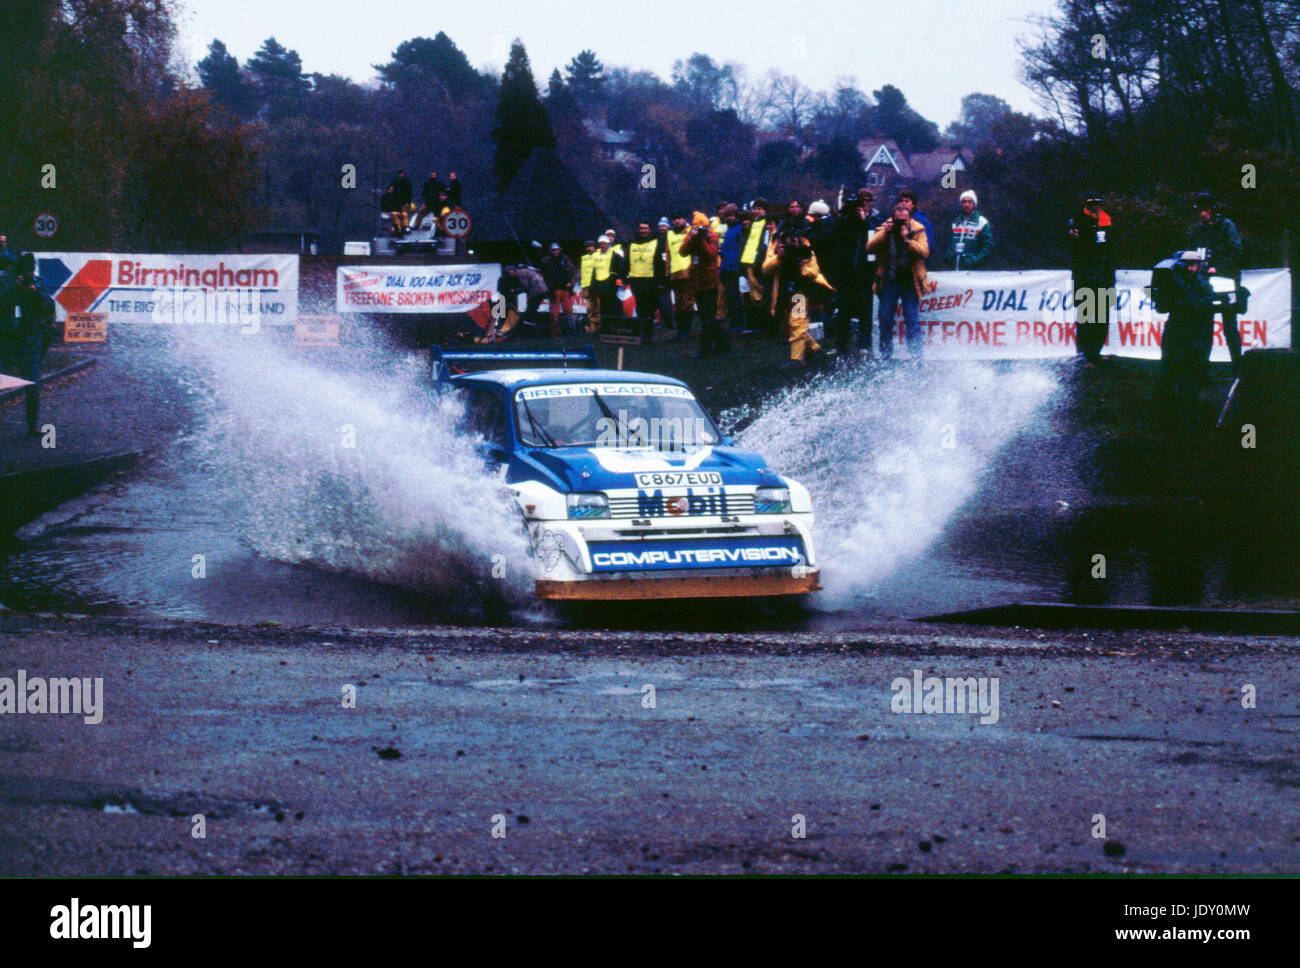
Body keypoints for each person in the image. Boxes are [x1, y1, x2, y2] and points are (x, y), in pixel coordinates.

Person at [1155, 250, 1216, 436]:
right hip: (1175, 336)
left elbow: (1198, 306)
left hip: (1196, 338)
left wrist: (1180, 285)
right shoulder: (1174, 283)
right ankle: (1168, 423)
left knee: (1190, 382)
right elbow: (1161, 306)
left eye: (1194, 264)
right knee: (1168, 379)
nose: (1190, 268)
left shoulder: (1203, 285)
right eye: (1186, 264)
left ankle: (1191, 426)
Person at [0, 253, 59, 436]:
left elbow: (49, 305)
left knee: (33, 382)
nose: (28, 275)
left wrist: (35, 292)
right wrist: (14, 286)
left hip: (30, 339)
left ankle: (32, 424)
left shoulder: (37, 283)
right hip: (9, 339)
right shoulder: (8, 283)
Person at [1187, 190, 1245, 374]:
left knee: (1230, 325)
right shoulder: (1199, 229)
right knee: (1204, 325)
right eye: (1199, 211)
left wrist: (1218, 268)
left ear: (1211, 210)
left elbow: (1237, 251)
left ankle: (1238, 366)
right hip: (1206, 282)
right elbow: (1192, 250)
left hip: (1226, 280)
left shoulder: (1227, 226)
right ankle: (1202, 368)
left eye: (1204, 210)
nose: (1201, 214)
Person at [762, 226, 833, 368]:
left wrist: (803, 267)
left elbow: (814, 272)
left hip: (800, 292)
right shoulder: (776, 249)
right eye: (787, 242)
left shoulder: (806, 250)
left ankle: (797, 359)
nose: (790, 245)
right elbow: (765, 269)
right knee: (788, 326)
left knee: (797, 324)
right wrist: (778, 257)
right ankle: (814, 348)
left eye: (793, 242)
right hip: (782, 293)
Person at [868, 199, 930, 359]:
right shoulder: (886, 228)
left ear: (910, 218)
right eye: (898, 219)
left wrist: (908, 240)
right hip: (890, 279)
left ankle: (916, 356)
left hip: (910, 280)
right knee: (885, 320)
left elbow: (924, 252)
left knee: (912, 321)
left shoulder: (918, 229)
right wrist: (884, 233)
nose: (902, 222)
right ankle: (885, 356)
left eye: (905, 219)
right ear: (893, 218)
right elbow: (869, 247)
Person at [830, 192, 882, 357]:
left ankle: (864, 344)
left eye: (868, 201)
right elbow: (836, 234)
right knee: (843, 309)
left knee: (865, 310)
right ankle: (840, 345)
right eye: (862, 201)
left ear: (871, 203)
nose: (864, 204)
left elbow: (875, 236)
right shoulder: (847, 220)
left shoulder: (875, 219)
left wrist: (864, 221)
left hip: (866, 271)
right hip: (846, 271)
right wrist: (845, 213)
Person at [1069, 190, 1116, 365]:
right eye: (1091, 205)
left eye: (1097, 204)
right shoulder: (1077, 220)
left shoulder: (1108, 219)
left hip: (1105, 276)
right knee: (1087, 316)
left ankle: (1096, 351)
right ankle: (1085, 353)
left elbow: (1112, 248)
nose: (1095, 208)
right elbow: (1077, 248)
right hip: (1086, 276)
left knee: (1102, 316)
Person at [683, 212, 727, 357]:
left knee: (708, 317)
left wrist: (700, 239)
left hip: (710, 281)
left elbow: (710, 255)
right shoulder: (692, 236)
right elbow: (683, 252)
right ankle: (723, 343)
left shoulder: (711, 236)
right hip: (697, 281)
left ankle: (706, 348)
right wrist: (691, 238)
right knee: (705, 316)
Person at [739, 199, 773, 338]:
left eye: (759, 209)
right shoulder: (754, 224)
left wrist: (758, 261)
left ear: (765, 210)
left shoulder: (766, 223)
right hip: (748, 263)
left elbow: (764, 245)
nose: (757, 211)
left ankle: (764, 327)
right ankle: (754, 326)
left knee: (761, 296)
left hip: (758, 264)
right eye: (755, 209)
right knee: (751, 297)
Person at [625, 222, 660, 341]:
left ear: (649, 230)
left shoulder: (656, 242)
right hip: (636, 279)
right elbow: (627, 261)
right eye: (641, 228)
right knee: (640, 307)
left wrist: (660, 280)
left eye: (645, 228)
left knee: (650, 308)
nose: (643, 230)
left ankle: (648, 334)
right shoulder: (632, 243)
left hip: (650, 279)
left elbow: (659, 262)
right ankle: (641, 333)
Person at [946, 189, 993, 270]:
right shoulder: (955, 223)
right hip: (955, 267)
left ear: (974, 204)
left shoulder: (982, 222)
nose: (967, 204)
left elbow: (988, 246)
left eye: (970, 202)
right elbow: (949, 243)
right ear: (961, 204)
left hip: (973, 269)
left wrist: (975, 260)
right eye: (964, 202)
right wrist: (948, 257)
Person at [717, 204, 745, 334]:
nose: (729, 218)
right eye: (727, 216)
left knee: (736, 296)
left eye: (731, 216)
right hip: (726, 267)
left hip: (735, 267)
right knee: (730, 296)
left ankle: (739, 323)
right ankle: (734, 322)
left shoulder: (739, 228)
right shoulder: (729, 229)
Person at [665, 216, 694, 339]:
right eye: (674, 219)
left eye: (680, 218)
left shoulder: (690, 231)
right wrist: (667, 272)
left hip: (689, 271)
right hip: (675, 272)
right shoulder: (669, 234)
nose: (677, 221)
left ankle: (687, 329)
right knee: (678, 302)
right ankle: (680, 330)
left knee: (688, 301)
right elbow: (668, 254)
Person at [540, 243, 577, 337]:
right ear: (551, 251)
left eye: (557, 250)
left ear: (560, 250)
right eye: (553, 250)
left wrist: (571, 283)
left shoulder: (565, 259)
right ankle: (555, 333)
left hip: (566, 288)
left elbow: (573, 271)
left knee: (568, 310)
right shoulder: (546, 261)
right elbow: (544, 276)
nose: (555, 252)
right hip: (554, 289)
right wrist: (549, 287)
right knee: (554, 312)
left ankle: (570, 331)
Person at [589, 234, 623, 331]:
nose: (602, 245)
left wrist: (618, 281)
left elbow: (621, 269)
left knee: (613, 304)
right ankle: (606, 327)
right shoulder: (596, 255)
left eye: (604, 243)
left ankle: (616, 326)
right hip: (600, 284)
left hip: (611, 283)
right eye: (601, 244)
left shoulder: (615, 255)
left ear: (608, 244)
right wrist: (593, 285)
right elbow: (595, 270)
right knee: (603, 306)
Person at [386, 170, 414, 236]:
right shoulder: (394, 183)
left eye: (402, 174)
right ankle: (398, 228)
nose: (401, 175)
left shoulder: (406, 182)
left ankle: (405, 227)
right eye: (400, 174)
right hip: (395, 205)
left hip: (404, 202)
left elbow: (409, 193)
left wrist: (408, 202)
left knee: (404, 214)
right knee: (396, 215)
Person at [578, 240, 599, 332]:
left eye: (591, 246)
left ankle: (598, 327)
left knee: (597, 307)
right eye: (587, 246)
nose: (589, 248)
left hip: (595, 285)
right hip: (586, 285)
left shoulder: (599, 256)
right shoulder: (584, 257)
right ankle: (592, 327)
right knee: (589, 308)